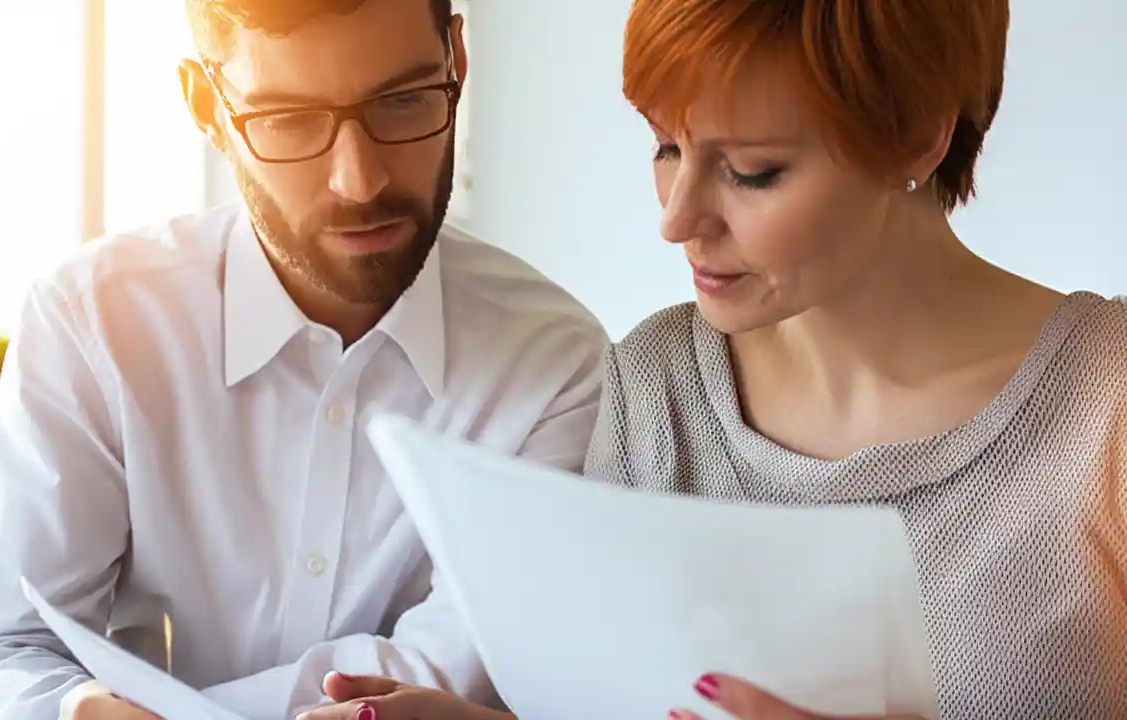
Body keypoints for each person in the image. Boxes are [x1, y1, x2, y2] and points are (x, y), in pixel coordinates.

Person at [299, 0, 1127, 718]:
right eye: (666, 148)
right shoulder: (657, 383)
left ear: (917, 139)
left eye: (750, 171)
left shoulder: (1107, 406)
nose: (677, 217)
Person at [0, 1, 608, 718]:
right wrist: (79, 711)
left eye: (404, 102)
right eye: (288, 119)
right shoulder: (93, 322)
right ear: (206, 105)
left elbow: (462, 670)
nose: (360, 180)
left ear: (457, 64)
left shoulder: (557, 363)